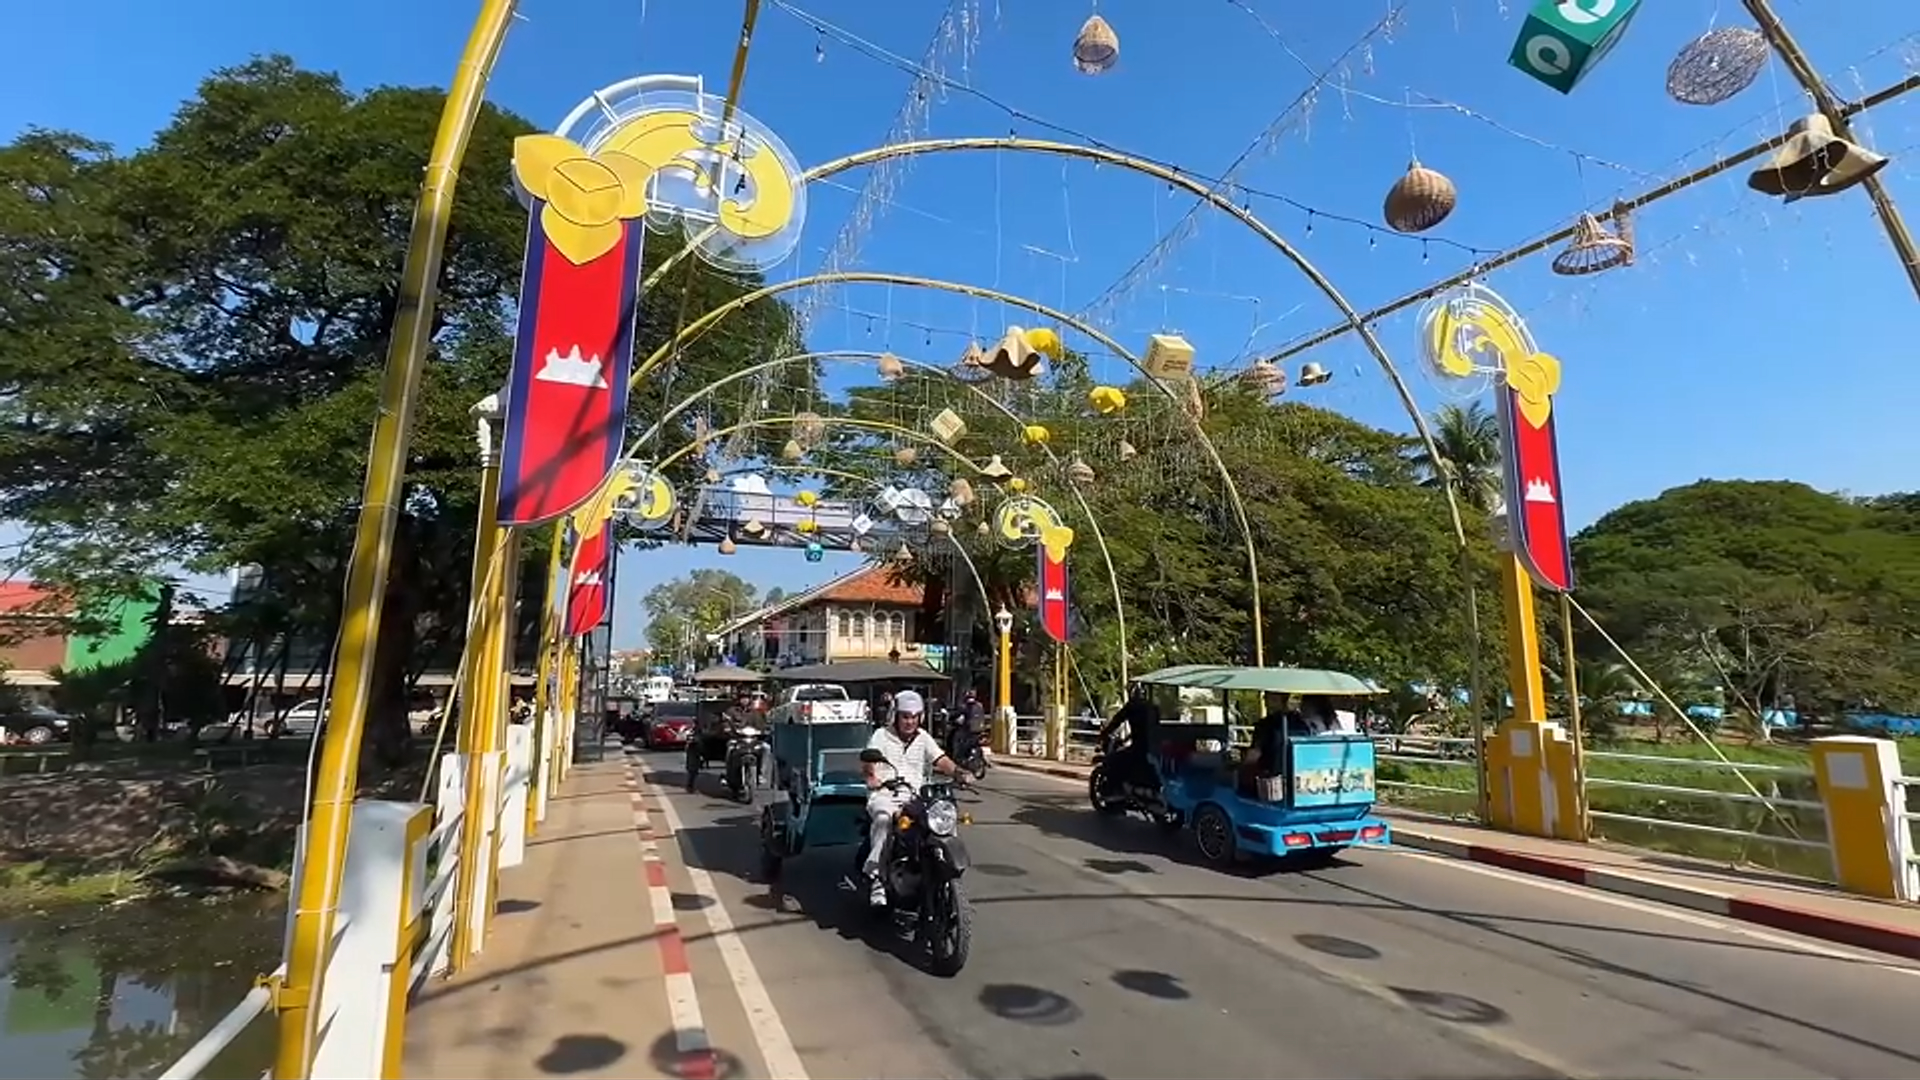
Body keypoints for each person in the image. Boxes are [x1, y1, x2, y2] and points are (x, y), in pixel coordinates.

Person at [862, 690, 961, 906]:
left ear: (921, 717)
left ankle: (941, 870)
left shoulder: (924, 738)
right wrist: (871, 777)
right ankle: (877, 877)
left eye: (914, 717)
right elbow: (869, 761)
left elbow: (940, 759)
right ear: (895, 716)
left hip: (915, 796)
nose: (910, 721)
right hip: (885, 795)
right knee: (883, 819)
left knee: (942, 819)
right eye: (905, 716)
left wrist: (958, 772)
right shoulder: (881, 735)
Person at [1097, 686, 1160, 790]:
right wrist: (1126, 739)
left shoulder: (1132, 706)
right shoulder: (1154, 708)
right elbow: (1145, 729)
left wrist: (1103, 734)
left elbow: (1116, 721)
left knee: (1113, 760)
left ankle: (1115, 790)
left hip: (1139, 748)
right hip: (1154, 747)